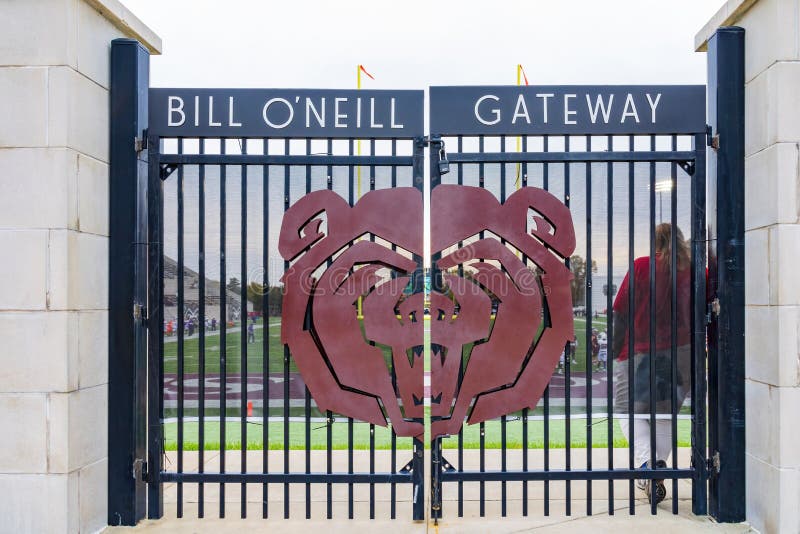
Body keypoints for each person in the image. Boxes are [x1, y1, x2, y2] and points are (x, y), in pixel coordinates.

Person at [612, 223, 692, 505]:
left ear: (655, 242)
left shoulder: (642, 266)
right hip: (680, 353)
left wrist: (616, 349)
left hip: (639, 350)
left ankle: (647, 466)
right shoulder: (692, 270)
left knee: (627, 411)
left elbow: (620, 307)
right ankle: (654, 469)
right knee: (664, 414)